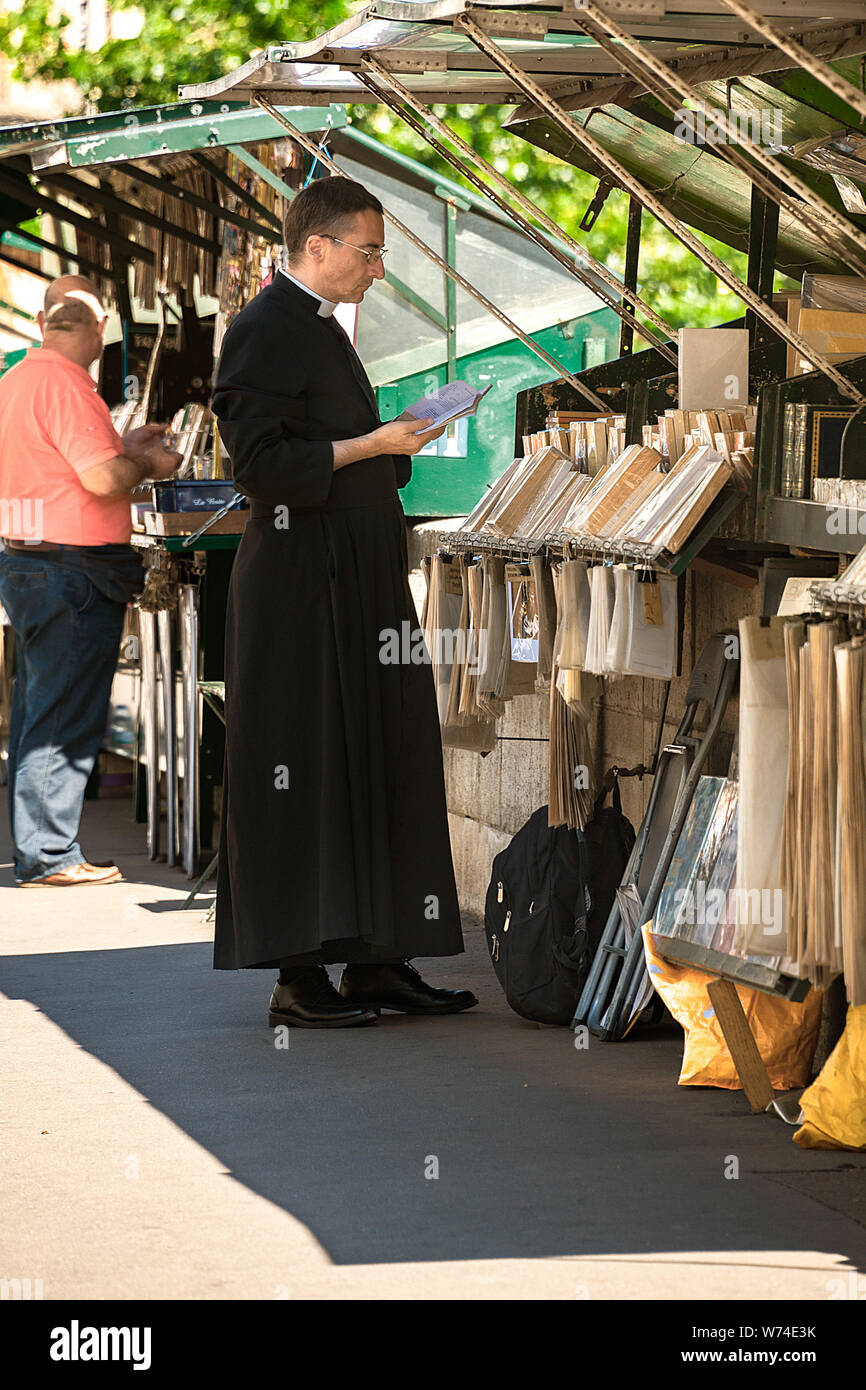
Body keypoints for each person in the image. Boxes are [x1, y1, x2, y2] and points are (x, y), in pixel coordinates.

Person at [212, 177, 477, 1028]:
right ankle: (299, 975)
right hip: (300, 585)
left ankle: (376, 960)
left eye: (380, 254)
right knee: (306, 763)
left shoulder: (321, 329)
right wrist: (371, 441)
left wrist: (393, 439)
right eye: (367, 252)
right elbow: (259, 464)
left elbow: (339, 451)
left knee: (381, 752)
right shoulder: (261, 329)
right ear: (314, 246)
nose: (376, 269)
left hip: (357, 576)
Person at [0, 276, 181, 886]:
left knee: (39, 706)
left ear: (45, 321)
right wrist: (149, 463)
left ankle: (39, 848)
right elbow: (103, 481)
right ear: (99, 330)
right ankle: (49, 855)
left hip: (31, 559)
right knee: (62, 712)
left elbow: (67, 462)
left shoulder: (20, 378)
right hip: (69, 568)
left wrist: (121, 444)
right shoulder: (65, 383)